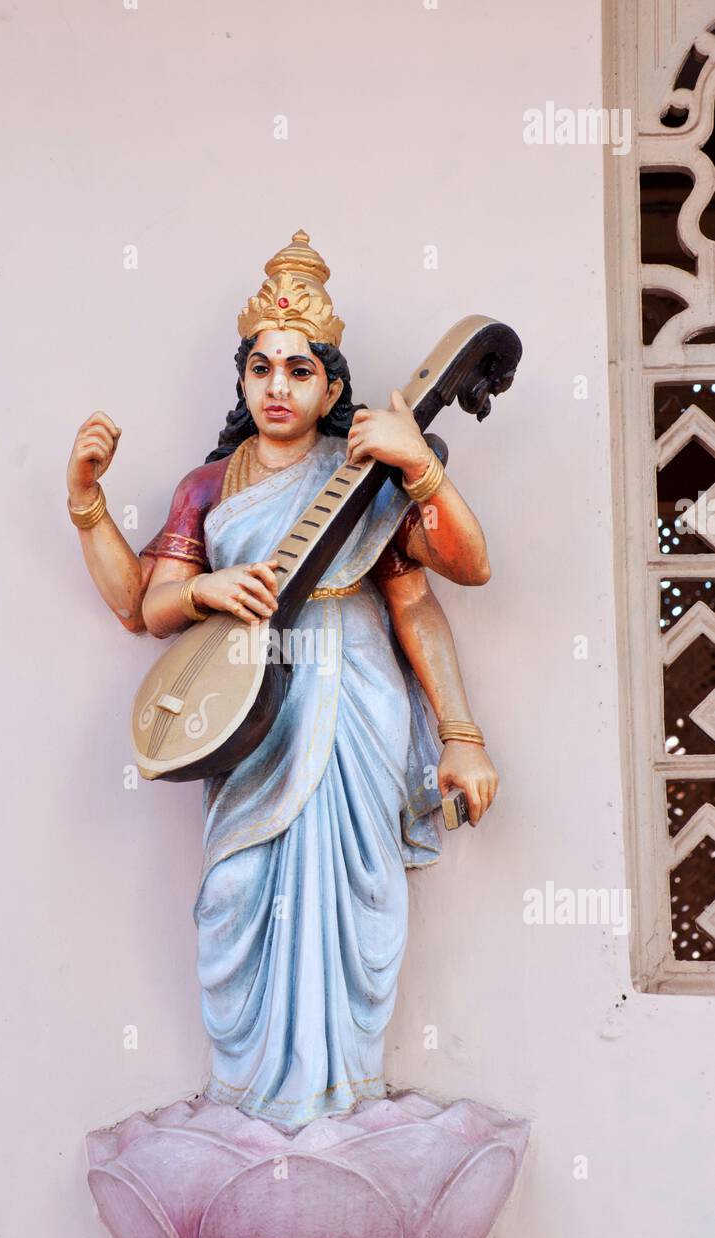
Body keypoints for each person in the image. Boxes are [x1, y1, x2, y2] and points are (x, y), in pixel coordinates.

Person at [67, 231, 498, 1132]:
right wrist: (92, 509)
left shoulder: (365, 477)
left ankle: (343, 1095)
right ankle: (252, 1097)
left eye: (299, 371)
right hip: (249, 715)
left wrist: (460, 734)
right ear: (241, 381)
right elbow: (139, 609)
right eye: (260, 368)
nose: (276, 387)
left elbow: (447, 584)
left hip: (353, 704)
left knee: (355, 897)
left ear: (332, 387)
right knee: (237, 894)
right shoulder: (207, 483)